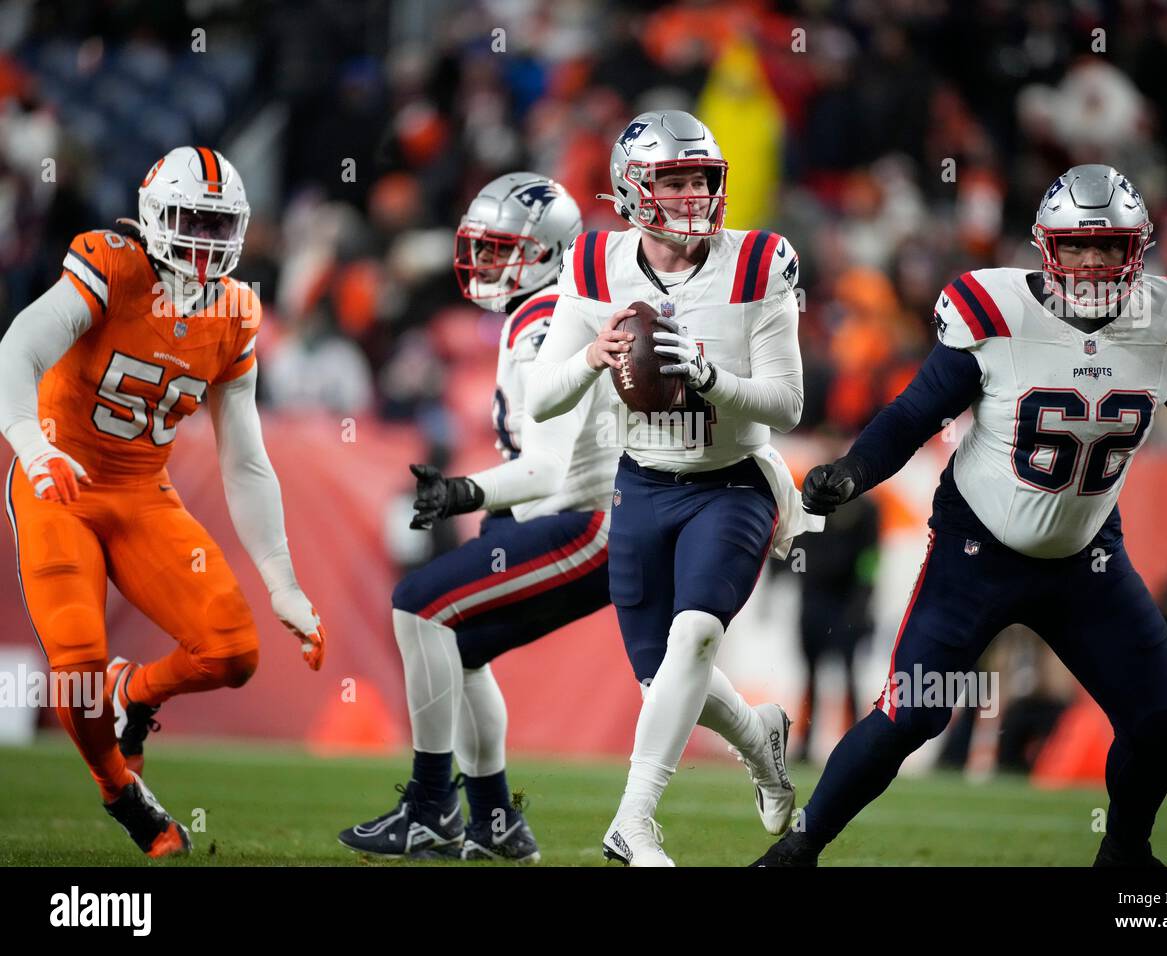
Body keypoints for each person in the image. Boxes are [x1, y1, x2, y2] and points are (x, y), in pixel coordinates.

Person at [755, 165, 1167, 867]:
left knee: (1160, 723)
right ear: (1048, 247)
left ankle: (1125, 856)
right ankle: (799, 849)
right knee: (910, 714)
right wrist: (854, 472)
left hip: (1086, 561)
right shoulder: (998, 310)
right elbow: (916, 413)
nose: (1096, 261)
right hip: (975, 552)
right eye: (1079, 246)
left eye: (1112, 247)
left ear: (1139, 249)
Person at [0, 147, 326, 858]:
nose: (205, 243)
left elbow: (245, 458)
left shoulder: (236, 311)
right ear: (153, 217)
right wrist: (32, 444)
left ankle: (137, 695)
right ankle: (122, 790)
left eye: (219, 227)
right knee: (79, 663)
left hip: (143, 494)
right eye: (189, 221)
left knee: (234, 652)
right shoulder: (111, 266)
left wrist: (283, 581)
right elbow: (17, 347)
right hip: (61, 483)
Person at [527, 110, 821, 865]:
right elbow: (541, 397)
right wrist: (594, 354)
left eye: (700, 179)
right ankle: (762, 742)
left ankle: (633, 820)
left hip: (733, 483)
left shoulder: (758, 261)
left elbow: (788, 406)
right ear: (631, 190)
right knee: (665, 676)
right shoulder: (595, 265)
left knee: (697, 635)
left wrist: (710, 375)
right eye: (671, 180)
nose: (691, 195)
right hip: (641, 486)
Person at [338, 173, 613, 863]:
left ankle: (432, 805)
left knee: (417, 605)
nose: (486, 264)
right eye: (482, 249)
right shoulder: (538, 310)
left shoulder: (549, 320)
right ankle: (494, 824)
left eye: (502, 251)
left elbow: (549, 468)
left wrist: (462, 493)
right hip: (548, 514)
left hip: (583, 519)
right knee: (458, 650)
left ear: (547, 252)